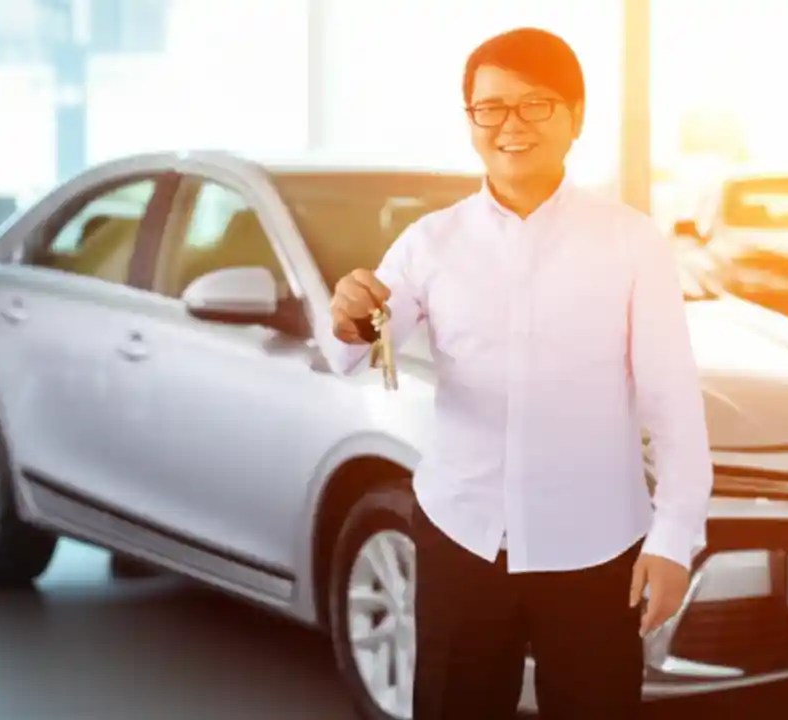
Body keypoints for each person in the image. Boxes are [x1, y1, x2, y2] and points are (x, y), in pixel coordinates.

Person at [325, 27, 713, 720]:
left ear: (576, 117)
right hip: (461, 538)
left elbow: (673, 402)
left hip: (597, 550)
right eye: (491, 107)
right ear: (470, 118)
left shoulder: (631, 243)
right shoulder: (429, 244)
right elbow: (357, 344)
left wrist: (675, 538)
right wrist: (351, 313)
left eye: (536, 104)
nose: (511, 125)